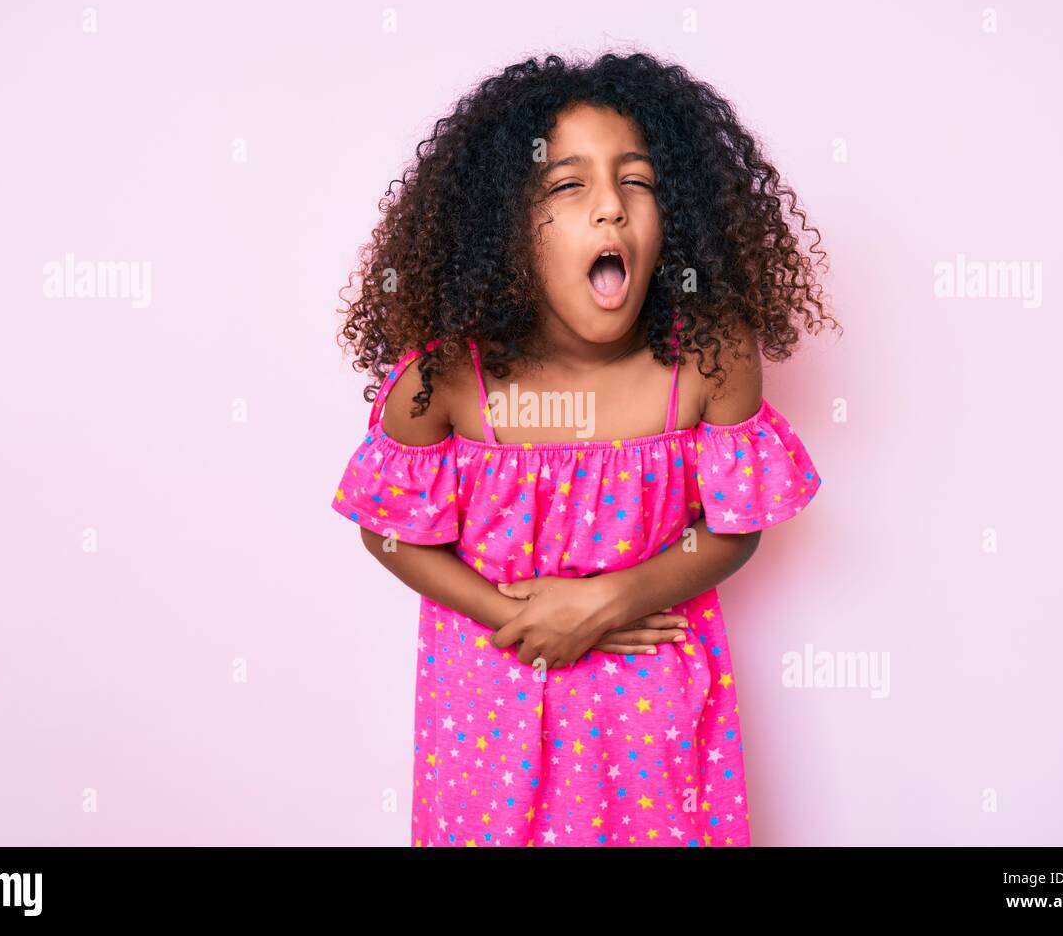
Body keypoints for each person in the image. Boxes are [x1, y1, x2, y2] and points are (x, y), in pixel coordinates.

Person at [331, 51, 839, 846]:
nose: (611, 209)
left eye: (637, 181)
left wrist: (606, 603)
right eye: (568, 186)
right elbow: (387, 529)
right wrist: (516, 616)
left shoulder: (711, 356)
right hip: (490, 698)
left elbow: (736, 525)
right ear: (502, 224)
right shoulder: (447, 377)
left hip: (652, 706)